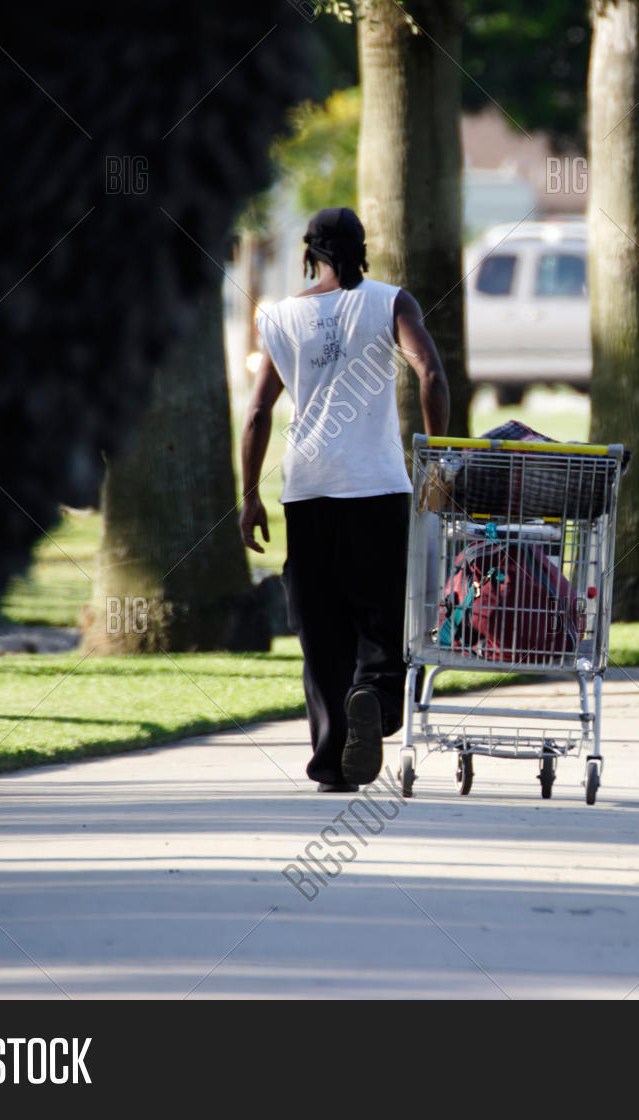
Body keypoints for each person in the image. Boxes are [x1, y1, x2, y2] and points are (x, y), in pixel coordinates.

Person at [239, 207, 449, 792]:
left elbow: (257, 413)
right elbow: (430, 374)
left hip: (307, 491)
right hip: (377, 486)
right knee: (383, 616)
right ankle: (374, 699)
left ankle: (332, 763)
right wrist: (436, 462)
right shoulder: (391, 301)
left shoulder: (280, 317)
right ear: (363, 248)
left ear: (310, 253)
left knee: (321, 630)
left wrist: (250, 497)